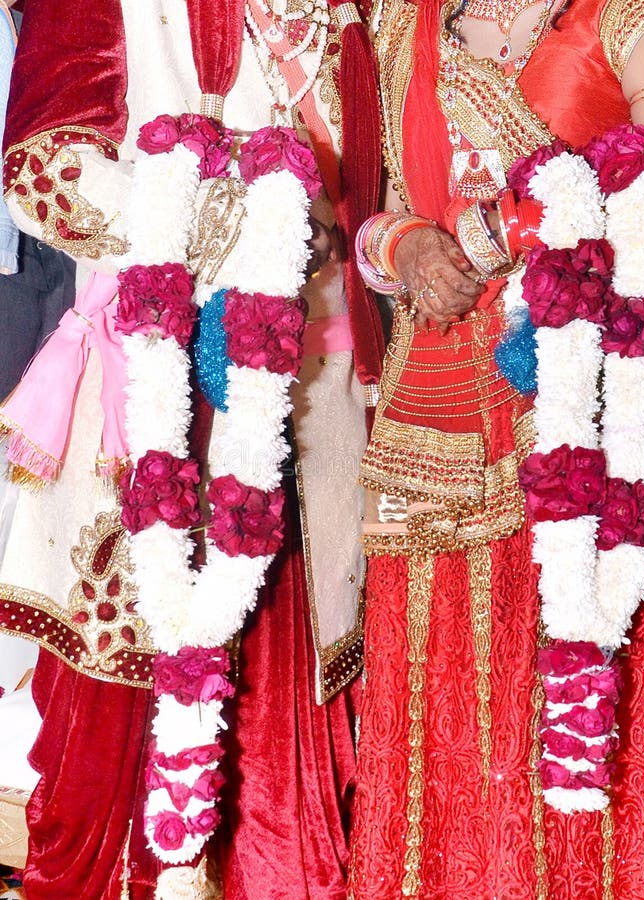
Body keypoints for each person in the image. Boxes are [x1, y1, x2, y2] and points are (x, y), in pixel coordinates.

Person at [0, 1, 383, 897]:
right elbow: (42, 168)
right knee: (119, 749)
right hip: (155, 412)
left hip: (312, 411)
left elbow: (380, 188)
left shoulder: (348, 15)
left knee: (288, 769)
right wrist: (241, 225)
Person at [348, 0, 644, 896]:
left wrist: (505, 228)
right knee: (444, 709)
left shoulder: (623, 21)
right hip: (434, 420)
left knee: (590, 686)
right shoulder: (402, 28)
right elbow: (372, 218)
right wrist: (402, 247)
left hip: (586, 416)